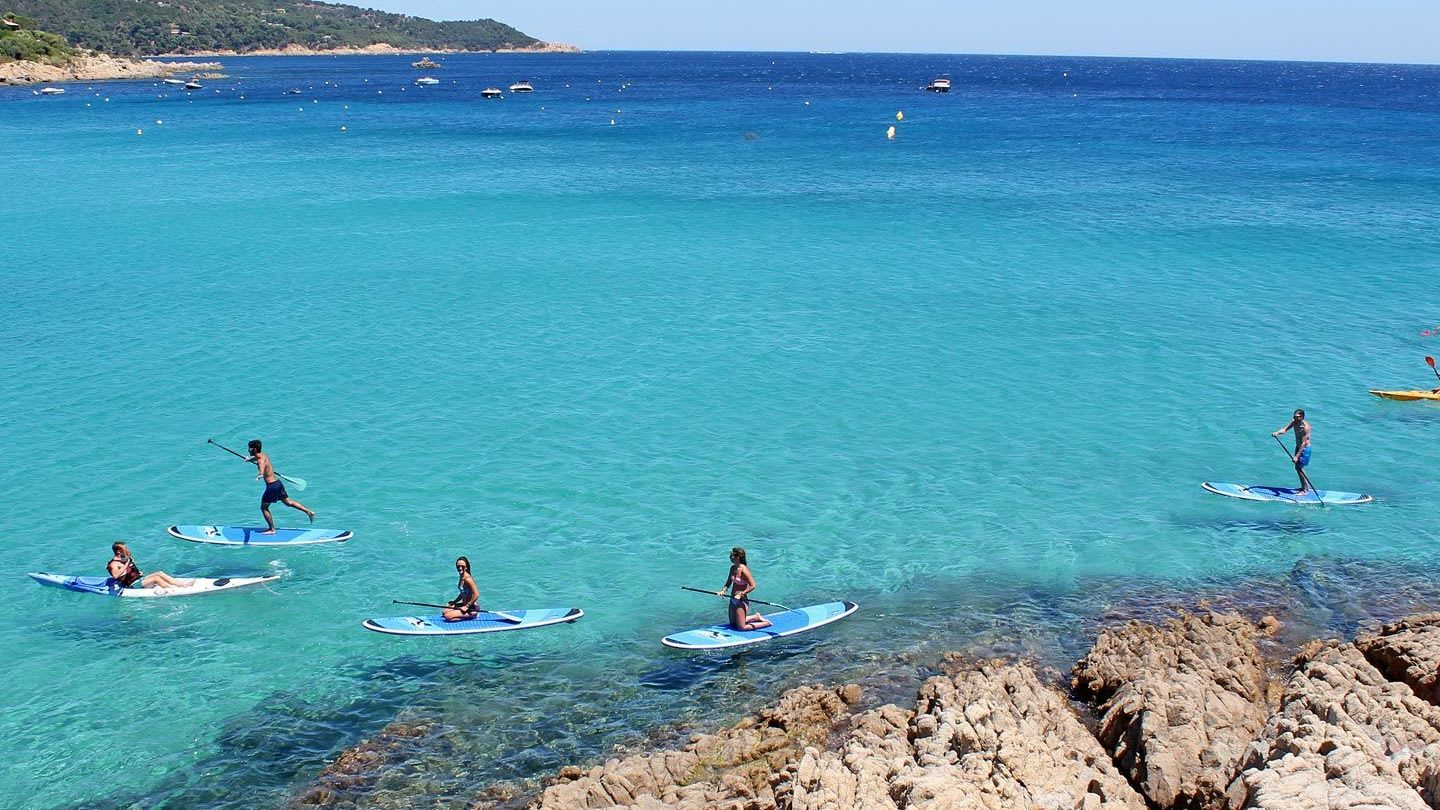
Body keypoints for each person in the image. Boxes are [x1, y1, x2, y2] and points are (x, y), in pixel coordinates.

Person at [245, 439, 314, 534]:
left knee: (264, 508)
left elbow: (261, 466)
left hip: (272, 486)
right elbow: (258, 458)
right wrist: (249, 459)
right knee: (288, 502)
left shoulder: (260, 460)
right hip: (278, 483)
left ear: (255, 449)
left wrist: (260, 474)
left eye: (250, 448)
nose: (248, 450)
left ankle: (272, 529)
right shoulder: (263, 455)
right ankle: (309, 512)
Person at [716, 546, 772, 631]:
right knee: (733, 624)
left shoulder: (744, 570)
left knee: (741, 627)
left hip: (741, 601)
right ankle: (755, 617)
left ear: (737, 558)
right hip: (732, 599)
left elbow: (753, 585)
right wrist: (723, 591)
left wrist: (741, 594)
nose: (730, 557)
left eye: (731, 556)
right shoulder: (733, 568)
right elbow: (728, 582)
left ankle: (765, 623)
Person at [108, 541, 193, 590]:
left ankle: (182, 585)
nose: (127, 549)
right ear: (118, 551)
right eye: (125, 548)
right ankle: (172, 589)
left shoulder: (123, 557)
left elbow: (130, 566)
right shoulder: (114, 564)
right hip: (132, 585)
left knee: (159, 573)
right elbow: (115, 575)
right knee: (156, 578)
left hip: (139, 579)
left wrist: (136, 570)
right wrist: (126, 564)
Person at [1272, 408, 1313, 494]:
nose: (1294, 418)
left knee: (1299, 468)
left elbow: (1303, 443)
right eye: (1294, 416)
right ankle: (1304, 487)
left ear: (1302, 417)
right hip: (1298, 447)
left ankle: (1305, 490)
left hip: (1305, 449)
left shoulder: (1306, 428)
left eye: (1296, 416)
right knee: (1297, 468)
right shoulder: (1294, 422)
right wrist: (1277, 433)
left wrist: (1296, 456)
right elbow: (1285, 429)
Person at [442, 556, 480, 621]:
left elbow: (476, 594)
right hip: (463, 605)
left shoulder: (468, 579)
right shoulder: (461, 576)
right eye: (458, 566)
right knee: (444, 612)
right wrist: (454, 601)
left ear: (466, 567)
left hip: (471, 608)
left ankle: (473, 616)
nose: (460, 568)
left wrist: (467, 606)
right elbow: (463, 592)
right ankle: (463, 614)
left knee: (447, 617)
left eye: (462, 566)